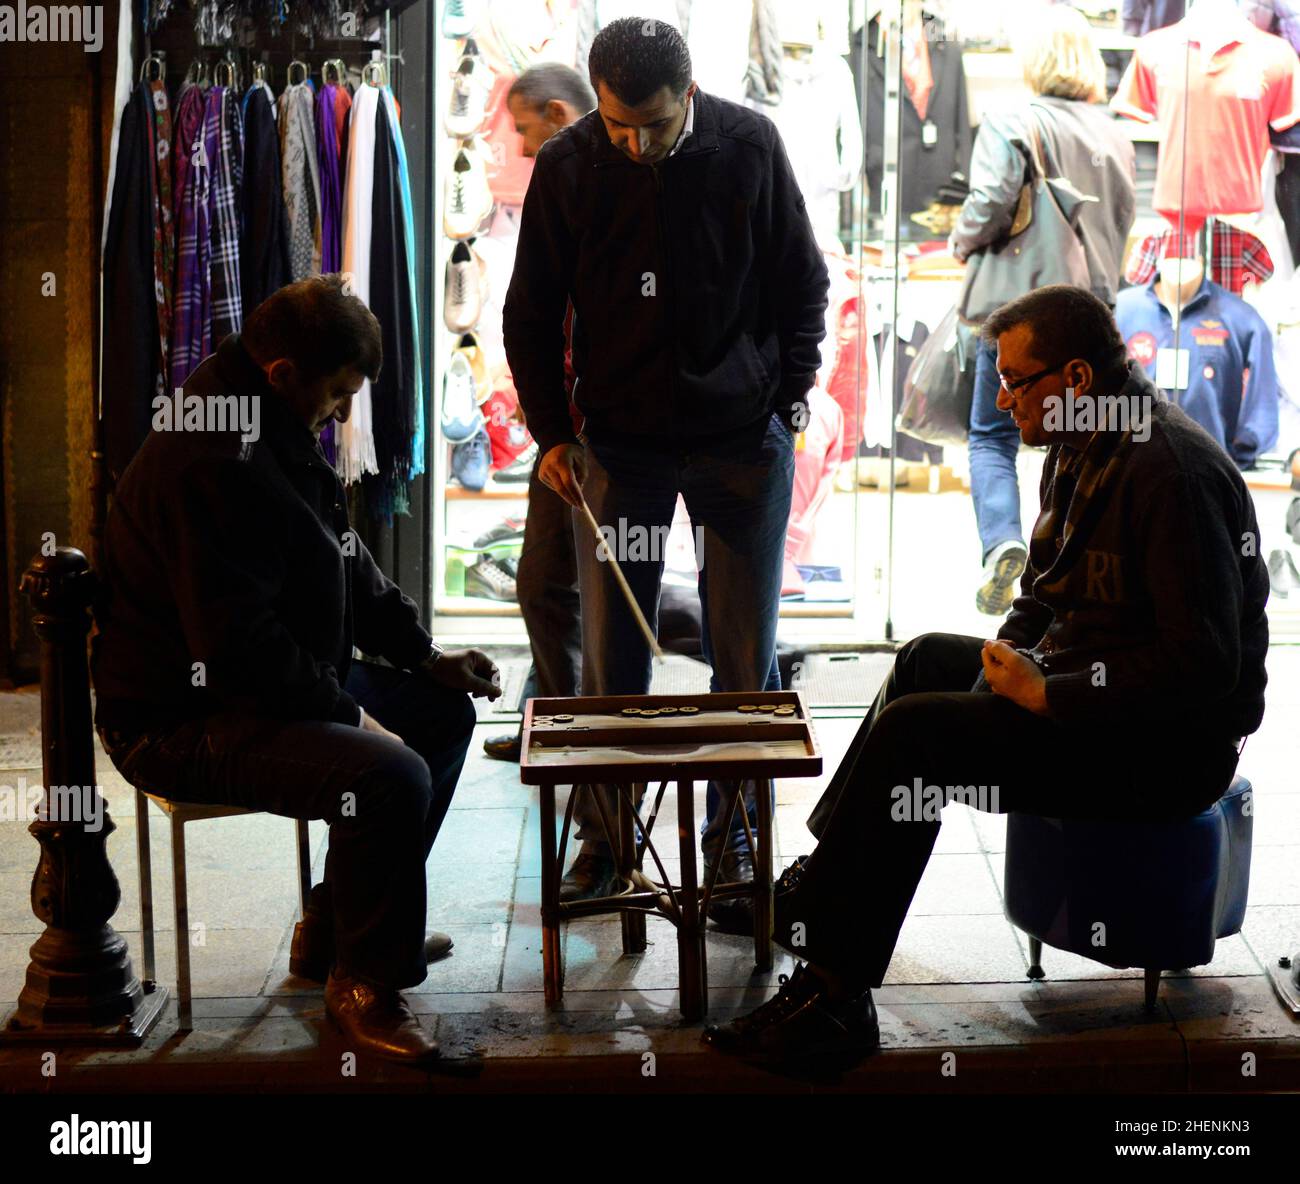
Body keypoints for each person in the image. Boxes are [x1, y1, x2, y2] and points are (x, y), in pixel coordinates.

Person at [704, 285, 1269, 1067]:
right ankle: (821, 891)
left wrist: (1049, 694)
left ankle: (833, 998)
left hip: (1165, 749)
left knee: (918, 736)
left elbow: (1206, 667)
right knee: (928, 659)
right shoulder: (1081, 445)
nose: (1002, 401)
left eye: (1015, 380)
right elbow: (1040, 595)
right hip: (1094, 704)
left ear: (1074, 380)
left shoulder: (1169, 473)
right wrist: (997, 681)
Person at [92, 276, 501, 1067]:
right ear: (285, 374)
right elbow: (238, 651)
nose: (343, 414)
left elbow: (340, 556)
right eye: (338, 395)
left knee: (440, 718)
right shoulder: (209, 458)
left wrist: (423, 657)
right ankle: (366, 986)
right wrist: (352, 717)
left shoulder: (265, 418)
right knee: (391, 774)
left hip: (266, 682)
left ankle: (340, 926)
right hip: (180, 717)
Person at [503, 17, 830, 933]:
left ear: (689, 95)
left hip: (740, 439)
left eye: (652, 123)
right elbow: (529, 312)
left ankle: (736, 843)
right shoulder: (570, 164)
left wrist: (784, 395)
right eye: (618, 126)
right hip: (620, 444)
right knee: (609, 663)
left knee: (744, 659)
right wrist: (552, 434)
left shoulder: (749, 144)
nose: (635, 143)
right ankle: (605, 842)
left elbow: (803, 282)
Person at [950, 6, 1136, 615]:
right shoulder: (1114, 132)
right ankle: (1062, 559)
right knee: (1082, 439)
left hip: (1020, 313)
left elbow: (990, 203)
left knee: (992, 435)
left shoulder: (1012, 121)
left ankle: (1004, 542)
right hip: (1090, 316)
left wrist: (960, 242)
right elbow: (1121, 221)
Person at [483, 64, 595, 766]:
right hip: (575, 418)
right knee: (568, 581)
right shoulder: (582, 174)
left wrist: (559, 425)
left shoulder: (583, 177)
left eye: (525, 130)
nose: (520, 151)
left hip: (584, 422)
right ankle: (546, 715)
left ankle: (559, 728)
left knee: (550, 581)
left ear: (556, 113)